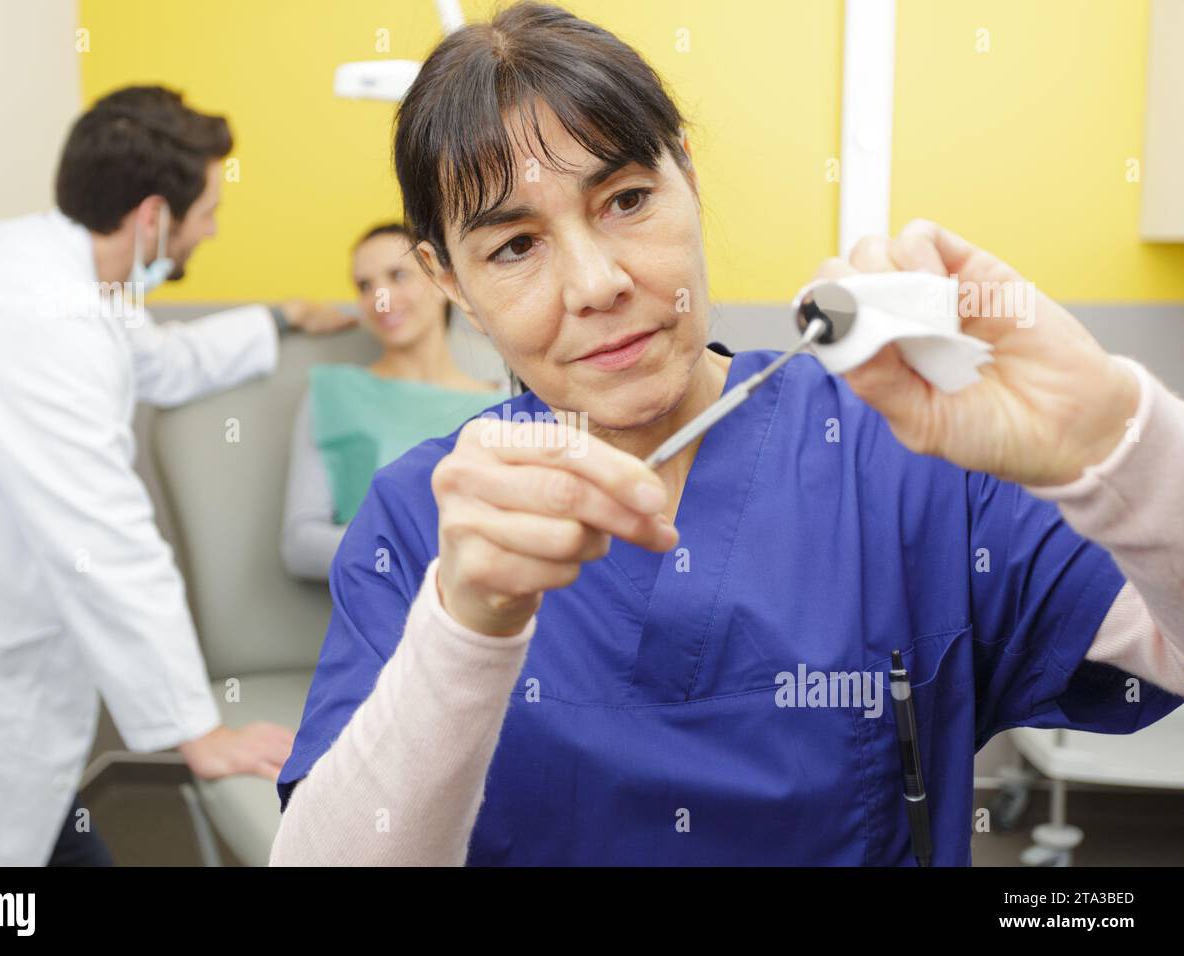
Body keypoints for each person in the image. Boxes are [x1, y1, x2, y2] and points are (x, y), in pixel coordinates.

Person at [270, 2, 1184, 866]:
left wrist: (1117, 436)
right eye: (515, 247)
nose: (596, 282)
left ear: (689, 176)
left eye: (626, 199)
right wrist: (465, 628)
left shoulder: (911, 458)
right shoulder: (418, 525)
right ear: (450, 283)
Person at [0, 85, 354, 866]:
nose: (211, 228)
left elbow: (160, 362)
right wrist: (198, 730)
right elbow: (105, 539)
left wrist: (278, 318)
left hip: (7, 678)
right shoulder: (39, 320)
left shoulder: (48, 265)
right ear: (150, 219)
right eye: (206, 211)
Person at [281, 223, 506, 582]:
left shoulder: (505, 404)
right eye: (365, 286)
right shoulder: (334, 394)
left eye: (398, 275)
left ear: (440, 280)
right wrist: (435, 565)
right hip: (381, 617)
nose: (379, 298)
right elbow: (301, 545)